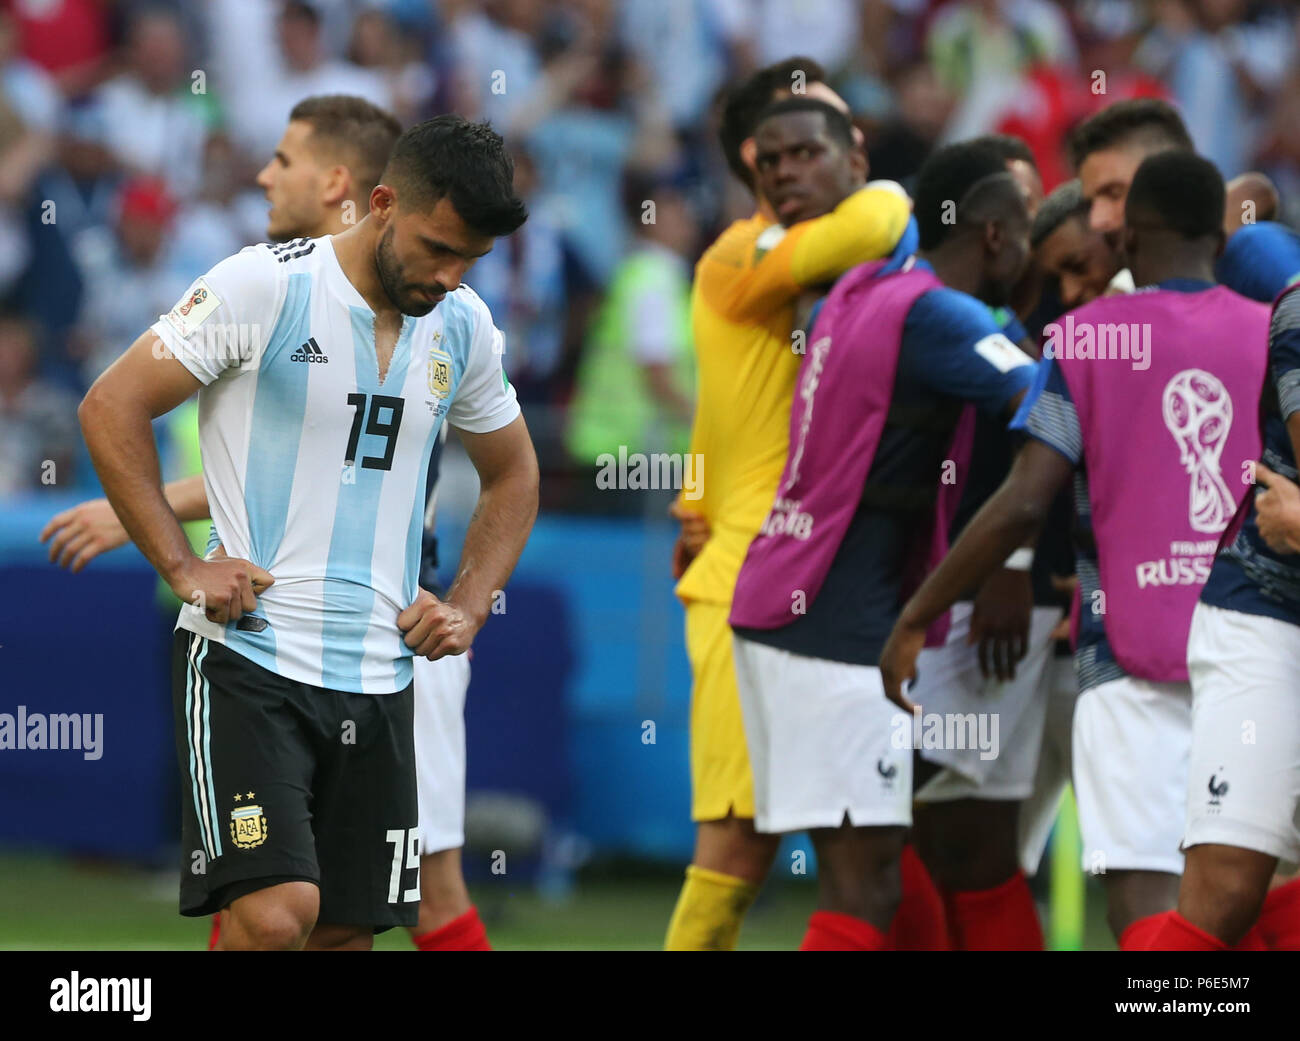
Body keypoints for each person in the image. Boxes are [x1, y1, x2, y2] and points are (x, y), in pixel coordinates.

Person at [44, 95, 498, 952]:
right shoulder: (265, 284)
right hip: (259, 642)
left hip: (395, 635)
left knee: (379, 907)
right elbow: (234, 450)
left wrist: (470, 603)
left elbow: (497, 468)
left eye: (284, 158)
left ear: (343, 184)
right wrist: (173, 552)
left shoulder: (451, 319)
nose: (264, 172)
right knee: (275, 904)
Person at [879, 151, 1269, 949]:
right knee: (1260, 887)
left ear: (1130, 238)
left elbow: (1024, 502)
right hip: (1260, 651)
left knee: (1151, 899)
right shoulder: (1272, 332)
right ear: (1218, 239)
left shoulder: (1087, 338)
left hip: (1129, 666)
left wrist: (918, 612)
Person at [729, 137, 1038, 950]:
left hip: (784, 600)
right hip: (837, 622)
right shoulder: (941, 314)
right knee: (862, 884)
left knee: (882, 865)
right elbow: (1054, 408)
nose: (1036, 248)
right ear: (996, 236)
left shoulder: (866, 287)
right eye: (1029, 226)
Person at [664, 62, 911, 952]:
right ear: (754, 157)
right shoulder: (741, 256)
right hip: (743, 590)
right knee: (741, 838)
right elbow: (884, 210)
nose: (829, 151)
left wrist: (693, 495)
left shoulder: (828, 270)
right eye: (795, 143)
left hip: (814, 584)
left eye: (832, 134)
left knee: (871, 843)